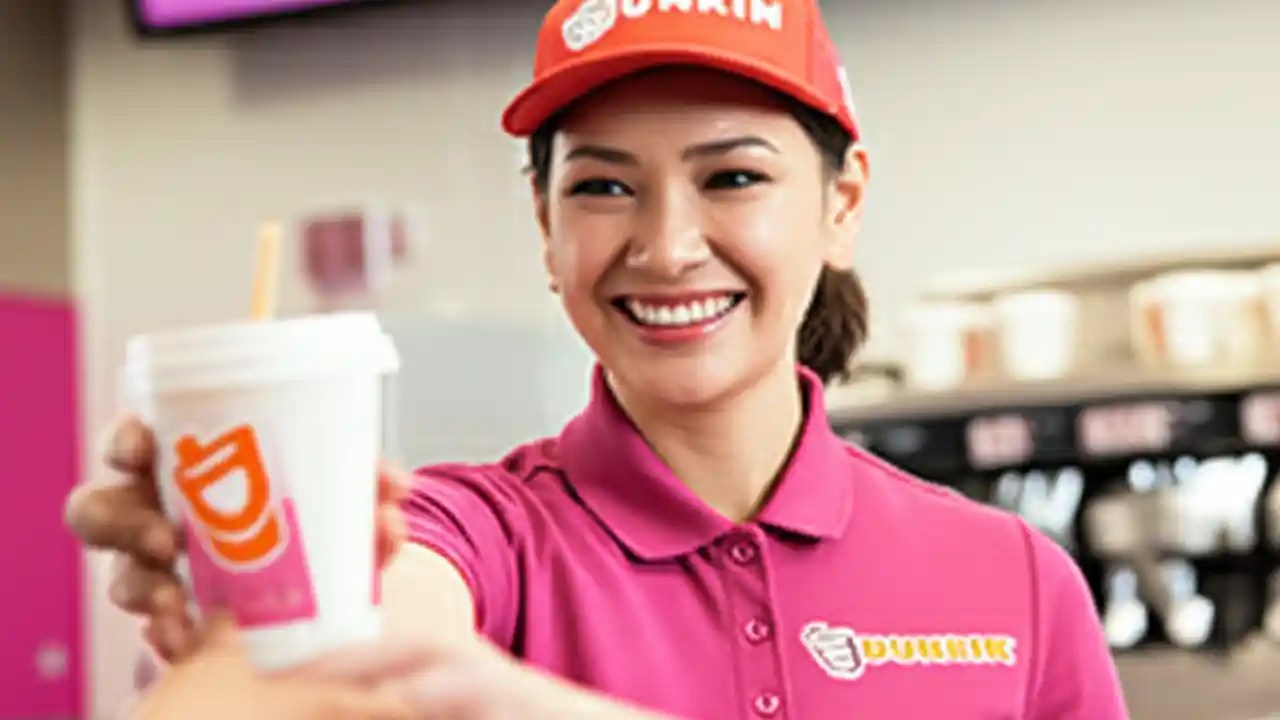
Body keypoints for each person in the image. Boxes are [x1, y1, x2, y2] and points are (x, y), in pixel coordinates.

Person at [65, 0, 1131, 717]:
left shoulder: (1015, 580)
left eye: (731, 179)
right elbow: (378, 630)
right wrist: (262, 601)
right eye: (602, 187)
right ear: (543, 222)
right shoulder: (475, 534)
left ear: (840, 202)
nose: (665, 248)